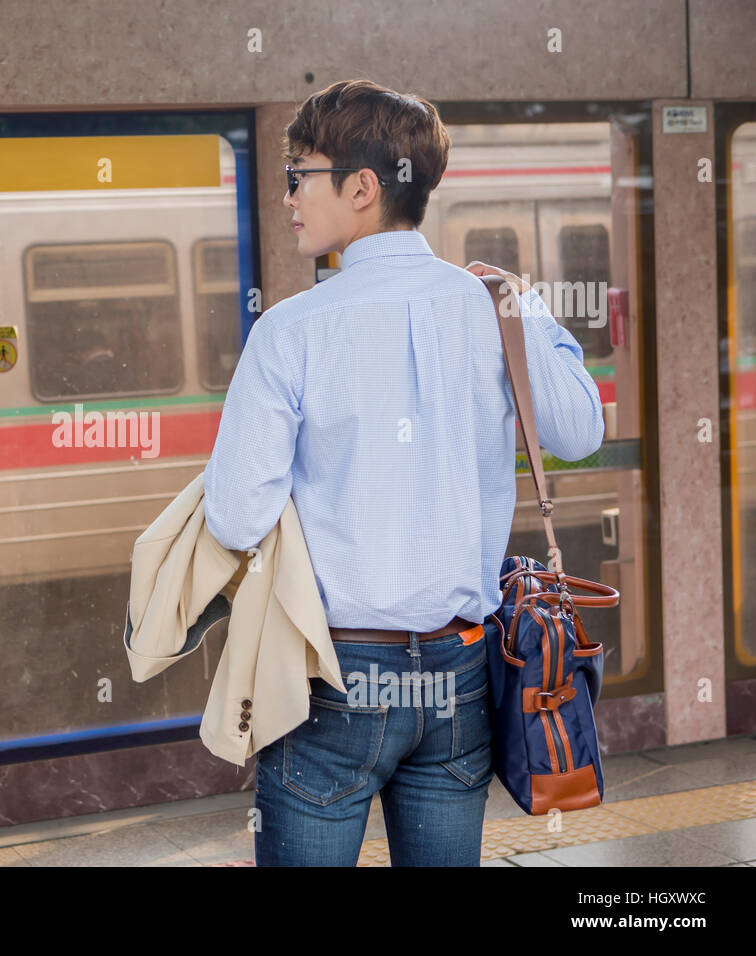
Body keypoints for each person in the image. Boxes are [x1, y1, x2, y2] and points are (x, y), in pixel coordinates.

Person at [201, 79, 604, 866]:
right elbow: (580, 431)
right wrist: (528, 307)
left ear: (360, 189)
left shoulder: (288, 331)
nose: (287, 196)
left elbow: (237, 518)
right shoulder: (494, 311)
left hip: (332, 681)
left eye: (298, 175)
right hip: (460, 673)